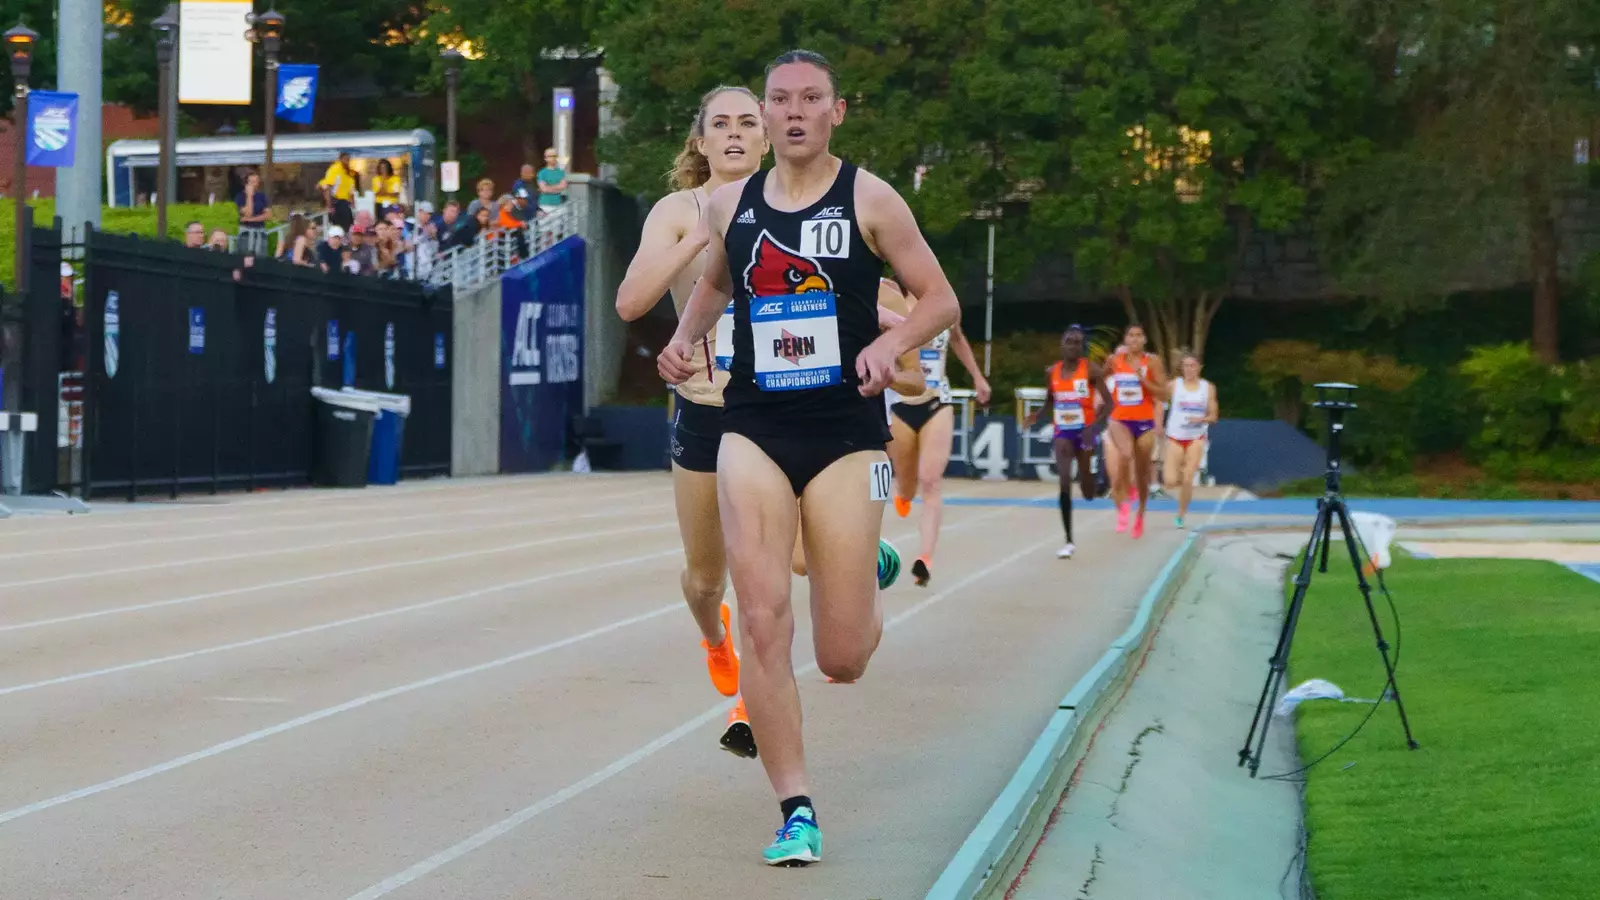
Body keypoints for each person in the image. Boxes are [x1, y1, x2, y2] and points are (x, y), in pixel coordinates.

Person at [658, 48, 960, 867]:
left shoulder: (871, 197)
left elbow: (940, 300)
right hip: (753, 427)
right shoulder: (731, 204)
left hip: (845, 434)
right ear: (764, 114)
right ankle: (796, 807)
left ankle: (867, 583)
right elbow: (716, 284)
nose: (792, 113)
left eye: (809, 99)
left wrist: (892, 339)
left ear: (837, 111)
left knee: (841, 656)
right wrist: (683, 341)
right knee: (760, 617)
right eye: (778, 101)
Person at [879, 276, 990, 586]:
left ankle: (924, 557)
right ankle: (903, 494)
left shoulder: (944, 305)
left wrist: (978, 378)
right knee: (907, 485)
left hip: (938, 400)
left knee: (931, 481)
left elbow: (958, 339)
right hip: (901, 402)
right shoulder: (893, 299)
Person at [1027, 325, 1112, 558]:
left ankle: (1097, 482)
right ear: (1062, 345)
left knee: (1087, 491)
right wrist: (1036, 415)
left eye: (1077, 343)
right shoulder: (1052, 372)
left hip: (1084, 431)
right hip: (1063, 432)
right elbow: (1050, 401)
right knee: (1064, 480)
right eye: (1069, 342)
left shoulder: (1091, 370)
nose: (1073, 346)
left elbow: (1109, 403)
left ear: (1082, 347)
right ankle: (1069, 540)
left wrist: (1093, 427)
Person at [1104, 324, 1167, 538]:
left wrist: (1144, 381)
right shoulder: (1116, 360)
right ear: (1125, 339)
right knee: (1124, 454)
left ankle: (1140, 512)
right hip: (1119, 419)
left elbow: (1164, 394)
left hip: (1144, 420)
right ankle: (1122, 505)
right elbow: (1100, 380)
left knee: (1141, 471)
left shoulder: (1153, 362)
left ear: (1145, 340)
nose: (1134, 339)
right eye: (1131, 335)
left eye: (1139, 335)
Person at [1163, 350, 1218, 528]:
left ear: (1199, 368)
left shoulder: (1207, 388)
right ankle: (1177, 473)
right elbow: (1158, 400)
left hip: (1196, 436)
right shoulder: (1173, 385)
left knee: (1188, 478)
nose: (1189, 369)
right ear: (1182, 368)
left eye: (1193, 366)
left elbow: (1214, 416)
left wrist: (1202, 419)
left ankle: (1180, 514)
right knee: (1170, 481)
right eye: (1186, 366)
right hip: (1175, 436)